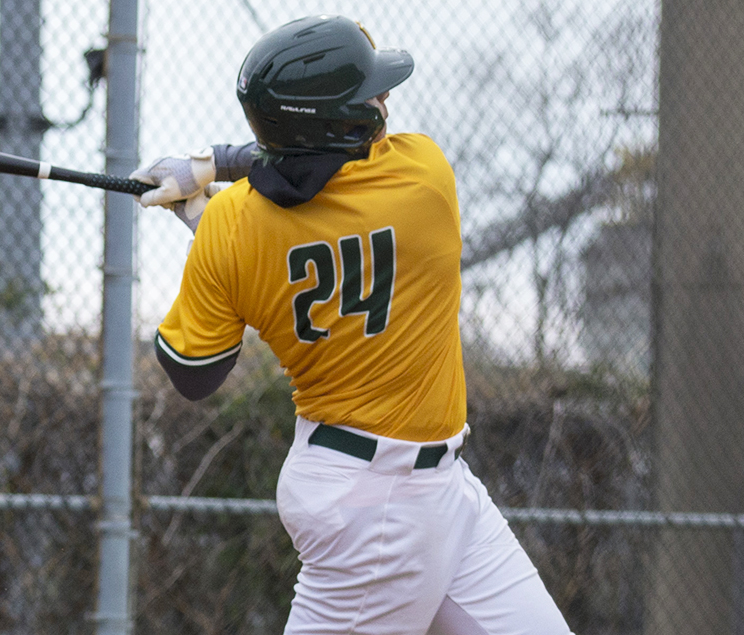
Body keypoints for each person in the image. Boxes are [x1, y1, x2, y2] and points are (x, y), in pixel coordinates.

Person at [131, 15, 574, 635]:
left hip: (438, 491)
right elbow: (318, 186)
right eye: (369, 95)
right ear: (339, 122)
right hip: (374, 512)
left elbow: (193, 373)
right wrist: (220, 163)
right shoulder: (425, 178)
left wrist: (211, 244)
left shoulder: (235, 226)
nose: (384, 99)